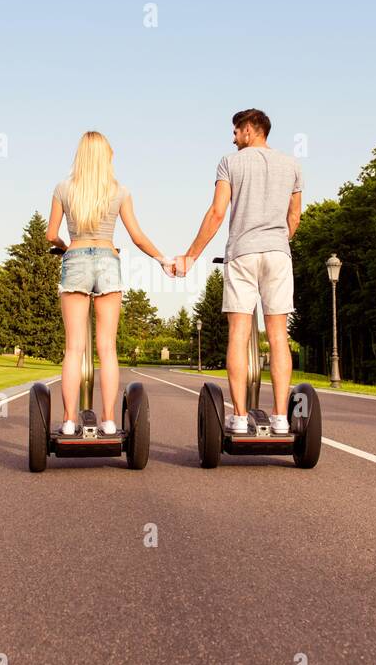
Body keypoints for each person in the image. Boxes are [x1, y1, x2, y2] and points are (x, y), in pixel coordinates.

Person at [174, 109, 303, 434]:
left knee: (239, 334)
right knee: (278, 336)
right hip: (277, 253)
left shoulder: (229, 163)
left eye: (235, 131)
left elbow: (218, 213)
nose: (232, 138)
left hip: (242, 254)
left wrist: (190, 256)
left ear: (249, 129)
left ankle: (241, 417)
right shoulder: (292, 165)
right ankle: (280, 417)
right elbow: (295, 217)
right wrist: (276, 241)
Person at [47, 131, 175, 435]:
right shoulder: (119, 191)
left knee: (74, 349)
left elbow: (51, 234)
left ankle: (67, 421)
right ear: (107, 158)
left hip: (75, 257)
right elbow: (137, 236)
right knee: (107, 348)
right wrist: (162, 259)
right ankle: (107, 420)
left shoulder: (64, 188)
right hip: (107, 259)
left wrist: (66, 248)